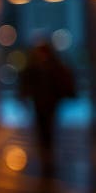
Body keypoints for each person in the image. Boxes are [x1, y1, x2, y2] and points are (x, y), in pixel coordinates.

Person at [19, 42, 75, 178]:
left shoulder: (52, 65)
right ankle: (45, 150)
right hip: (41, 102)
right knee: (42, 126)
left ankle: (47, 150)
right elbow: (27, 82)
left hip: (50, 102)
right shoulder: (36, 66)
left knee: (48, 126)